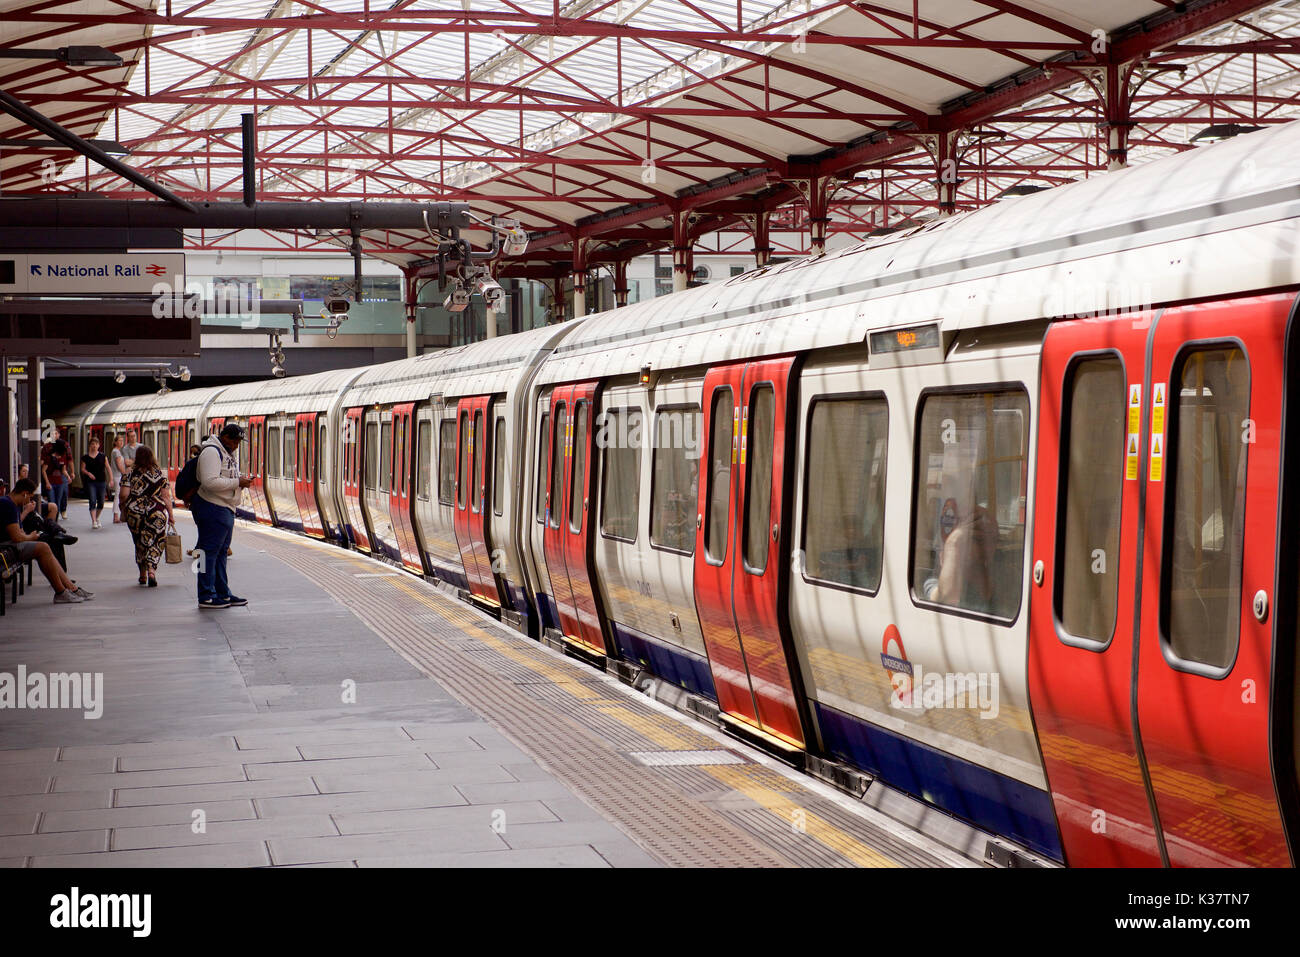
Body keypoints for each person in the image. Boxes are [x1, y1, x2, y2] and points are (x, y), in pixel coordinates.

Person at [2, 478, 93, 603]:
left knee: (46, 546)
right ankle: (61, 592)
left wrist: (29, 536)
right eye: (29, 497)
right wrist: (31, 537)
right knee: (43, 547)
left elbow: (19, 532)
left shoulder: (13, 505)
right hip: (6, 547)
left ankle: (71, 588)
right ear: (24, 493)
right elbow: (17, 537)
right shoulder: (8, 504)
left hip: (11, 544)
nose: (29, 501)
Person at [192, 423, 252, 609]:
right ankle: (206, 596)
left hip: (224, 507)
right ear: (225, 437)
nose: (236, 445)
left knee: (219, 554)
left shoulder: (226, 452)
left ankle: (222, 593)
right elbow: (209, 482)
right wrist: (237, 482)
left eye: (239, 442)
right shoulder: (211, 452)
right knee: (206, 553)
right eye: (234, 441)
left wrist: (240, 482)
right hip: (211, 507)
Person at [123, 445, 174, 588]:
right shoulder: (160, 475)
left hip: (135, 514)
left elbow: (123, 495)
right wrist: (170, 515)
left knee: (139, 542)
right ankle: (152, 571)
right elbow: (166, 498)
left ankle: (142, 574)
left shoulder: (129, 474)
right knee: (156, 541)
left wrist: (123, 508)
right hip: (156, 513)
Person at [80, 436, 110, 529]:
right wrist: (88, 474)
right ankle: (94, 521)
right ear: (90, 445)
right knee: (92, 500)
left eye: (96, 444)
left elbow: (108, 468)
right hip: (91, 482)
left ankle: (96, 518)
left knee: (101, 502)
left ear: (99, 445)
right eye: (92, 444)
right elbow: (82, 469)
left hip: (101, 481)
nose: (94, 446)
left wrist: (111, 479)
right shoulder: (85, 457)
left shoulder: (103, 456)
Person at [41, 430, 71, 519]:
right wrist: (47, 483)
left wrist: (68, 477)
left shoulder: (63, 457)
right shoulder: (49, 457)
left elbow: (63, 470)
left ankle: (55, 520)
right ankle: (51, 520)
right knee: (52, 501)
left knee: (57, 501)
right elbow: (43, 470)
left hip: (60, 482)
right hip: (50, 482)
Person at [109, 434, 128, 524]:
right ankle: (116, 516)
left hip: (118, 475)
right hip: (117, 476)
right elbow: (119, 464)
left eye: (122, 440)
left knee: (118, 495)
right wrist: (124, 473)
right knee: (118, 495)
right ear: (115, 442)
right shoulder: (116, 452)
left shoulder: (117, 451)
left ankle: (118, 515)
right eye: (119, 440)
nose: (121, 442)